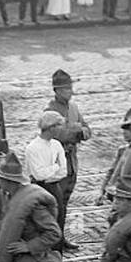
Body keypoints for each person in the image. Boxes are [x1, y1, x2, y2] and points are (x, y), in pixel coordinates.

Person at [45, 69, 91, 244]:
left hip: (72, 161)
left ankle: (61, 237)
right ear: (56, 91)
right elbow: (58, 135)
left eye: (70, 88)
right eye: (65, 89)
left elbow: (88, 130)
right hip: (57, 163)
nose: (70, 92)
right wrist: (77, 130)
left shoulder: (73, 107)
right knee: (56, 203)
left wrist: (77, 130)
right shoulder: (50, 110)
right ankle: (54, 238)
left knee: (66, 201)